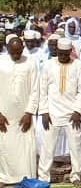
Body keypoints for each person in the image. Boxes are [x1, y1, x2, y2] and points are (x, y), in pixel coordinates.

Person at [38, 38, 81, 183]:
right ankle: (43, 177)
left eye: (66, 54)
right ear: (57, 52)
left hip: (72, 115)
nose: (64, 57)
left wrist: (78, 111)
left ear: (70, 52)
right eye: (61, 54)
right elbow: (43, 90)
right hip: (52, 113)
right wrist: (44, 111)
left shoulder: (78, 65)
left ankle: (76, 176)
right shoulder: (48, 65)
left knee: (76, 147)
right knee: (47, 148)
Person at [0, 37, 40, 184]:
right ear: (7, 49)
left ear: (23, 49)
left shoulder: (31, 63)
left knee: (25, 148)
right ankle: (5, 177)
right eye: (13, 53)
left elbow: (35, 90)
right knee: (5, 147)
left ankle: (25, 178)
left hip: (24, 115)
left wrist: (29, 112)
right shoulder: (1, 62)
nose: (16, 56)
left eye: (18, 52)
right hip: (4, 115)